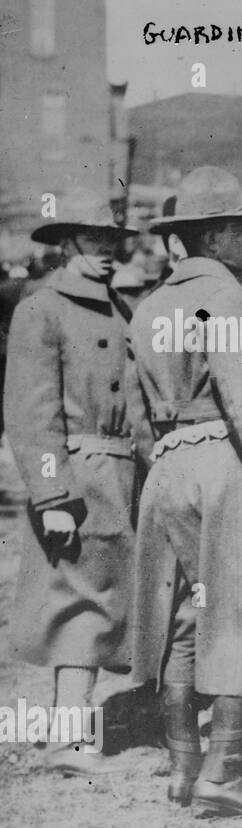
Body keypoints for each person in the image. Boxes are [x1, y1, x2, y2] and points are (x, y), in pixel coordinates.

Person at [131, 167, 242, 819]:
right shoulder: (229, 299)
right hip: (222, 463)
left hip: (167, 467)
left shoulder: (151, 305)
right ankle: (223, 771)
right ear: (214, 234)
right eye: (241, 229)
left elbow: (136, 407)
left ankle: (183, 767)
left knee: (180, 620)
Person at [4, 190, 147, 777]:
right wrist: (53, 496)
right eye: (95, 243)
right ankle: (69, 740)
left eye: (114, 243)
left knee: (107, 607)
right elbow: (32, 415)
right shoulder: (42, 309)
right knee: (76, 607)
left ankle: (77, 735)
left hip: (122, 478)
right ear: (66, 244)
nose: (108, 253)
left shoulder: (120, 308)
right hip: (77, 483)